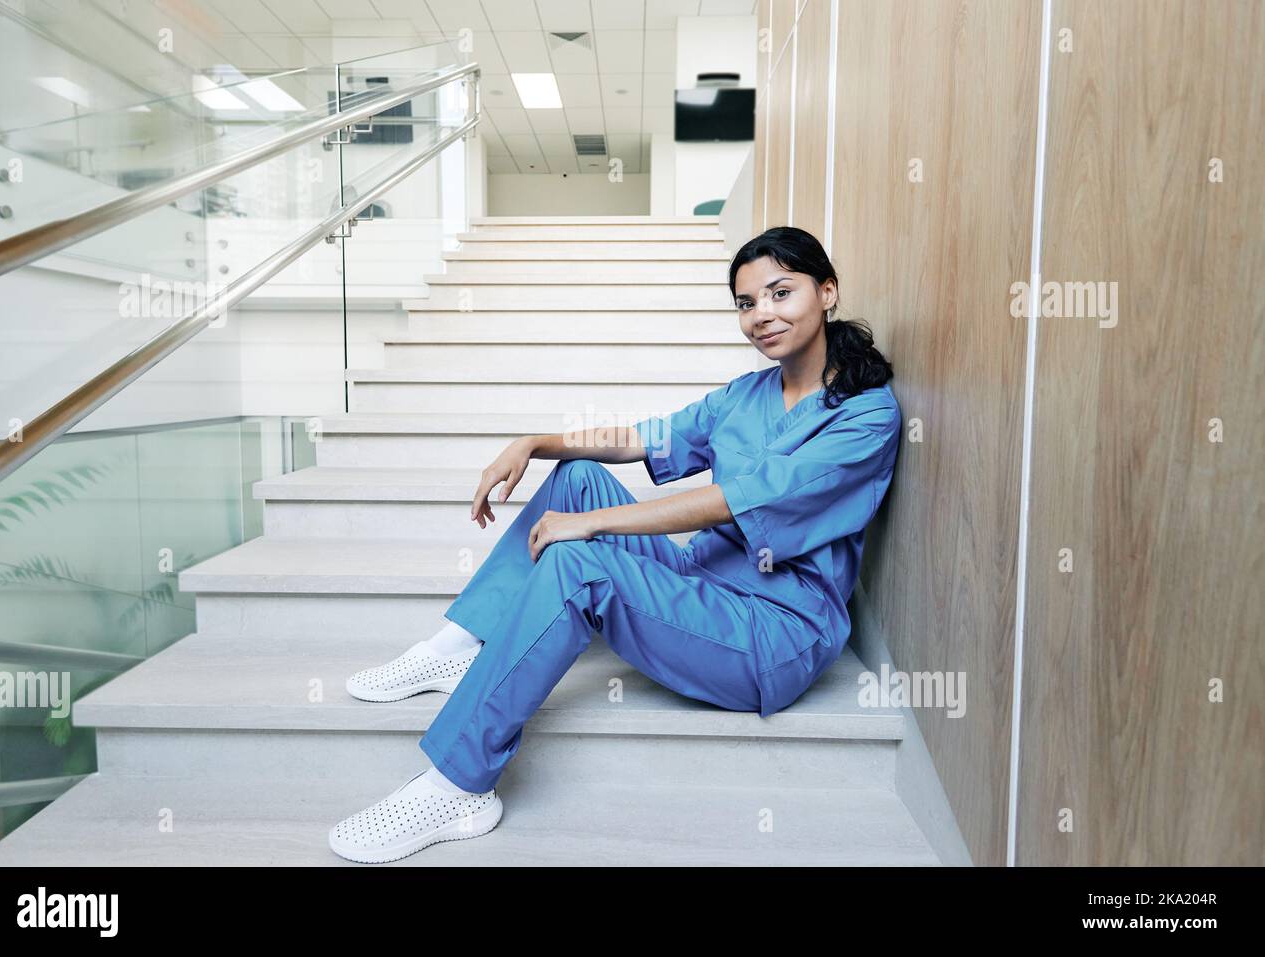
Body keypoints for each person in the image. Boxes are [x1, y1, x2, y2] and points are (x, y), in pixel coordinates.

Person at [328, 225, 901, 863]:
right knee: (578, 479)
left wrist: (594, 527)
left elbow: (747, 499)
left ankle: (457, 785)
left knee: (580, 561)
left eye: (780, 293)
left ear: (827, 292)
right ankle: (455, 648)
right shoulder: (748, 394)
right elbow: (641, 439)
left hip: (772, 631)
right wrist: (536, 442)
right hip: (700, 579)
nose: (762, 315)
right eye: (746, 303)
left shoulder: (866, 417)